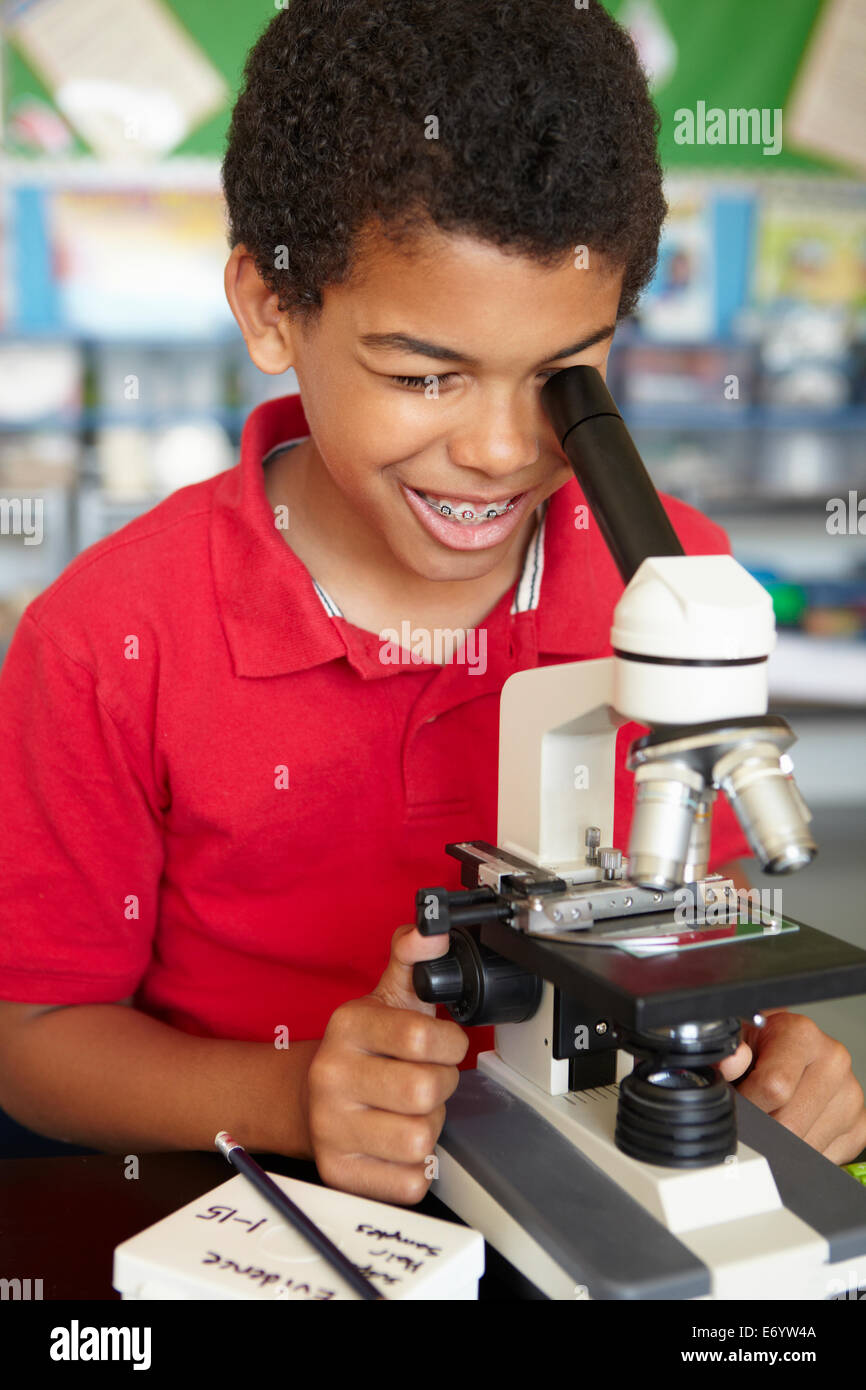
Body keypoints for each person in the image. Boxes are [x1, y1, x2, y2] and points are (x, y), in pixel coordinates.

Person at [0, 0, 863, 1206]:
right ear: (269, 307)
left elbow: (693, 931)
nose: (503, 449)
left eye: (564, 373)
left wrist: (769, 1051)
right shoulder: (109, 638)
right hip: (245, 1204)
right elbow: (36, 1042)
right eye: (422, 375)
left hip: (578, 1174)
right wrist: (296, 1097)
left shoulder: (673, 581)